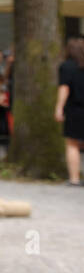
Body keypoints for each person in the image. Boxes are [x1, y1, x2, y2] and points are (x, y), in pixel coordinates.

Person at [55, 37, 84, 186]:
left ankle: (74, 178)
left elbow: (64, 88)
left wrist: (59, 107)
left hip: (75, 108)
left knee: (72, 144)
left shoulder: (67, 66)